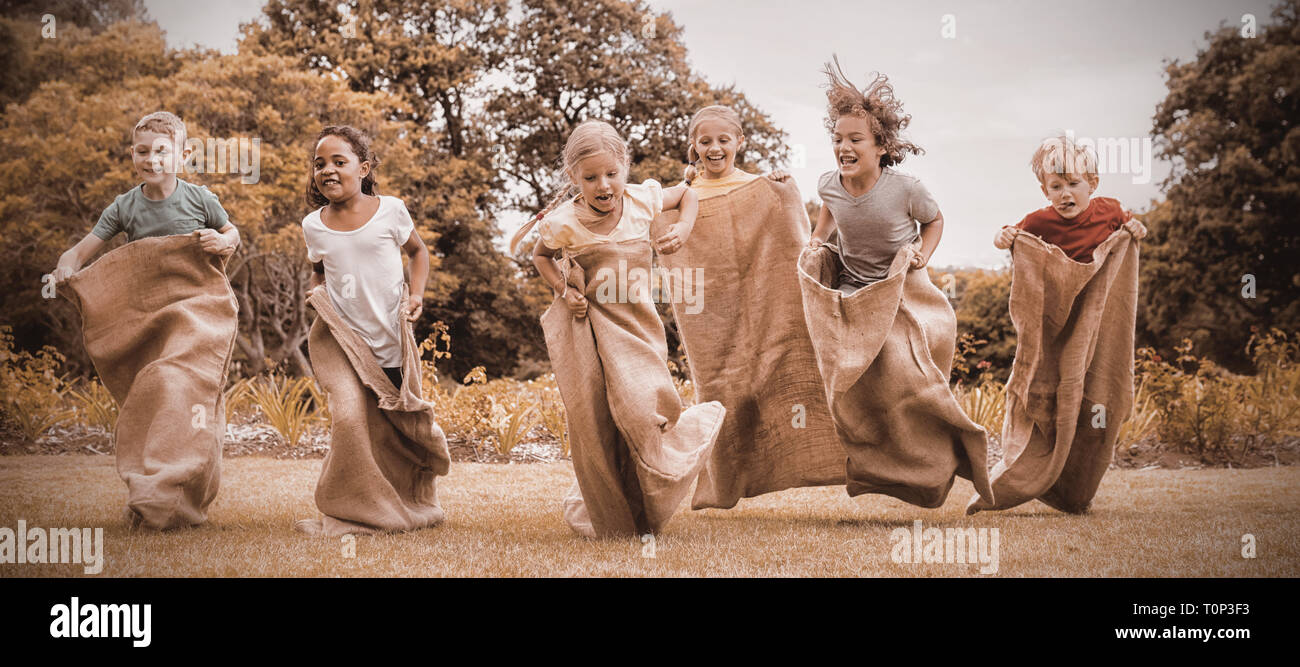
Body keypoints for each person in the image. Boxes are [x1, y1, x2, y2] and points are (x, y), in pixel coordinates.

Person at [510, 119, 725, 538]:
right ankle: (618, 511)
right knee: (601, 422)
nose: (603, 184)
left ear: (624, 167)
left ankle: (674, 456)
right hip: (591, 332)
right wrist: (562, 289)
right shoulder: (562, 223)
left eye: (611, 173)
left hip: (639, 329)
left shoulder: (642, 201)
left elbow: (687, 195)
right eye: (590, 177)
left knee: (645, 411)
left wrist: (681, 228)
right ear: (574, 177)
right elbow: (541, 256)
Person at [52, 110, 239, 530]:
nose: (151, 158)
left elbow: (233, 233)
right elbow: (79, 254)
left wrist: (222, 240)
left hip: (195, 311)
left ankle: (180, 498)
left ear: (183, 154)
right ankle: (154, 492)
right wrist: (66, 269)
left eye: (162, 150)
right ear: (132, 154)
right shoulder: (124, 207)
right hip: (148, 318)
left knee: (185, 390)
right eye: (142, 150)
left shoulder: (199, 199)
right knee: (155, 397)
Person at [809, 57, 943, 295]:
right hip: (852, 282)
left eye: (856, 139)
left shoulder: (907, 189)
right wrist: (819, 237)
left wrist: (923, 255)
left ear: (881, 146)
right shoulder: (828, 184)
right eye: (838, 140)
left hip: (902, 281)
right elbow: (831, 204)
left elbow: (934, 221)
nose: (844, 147)